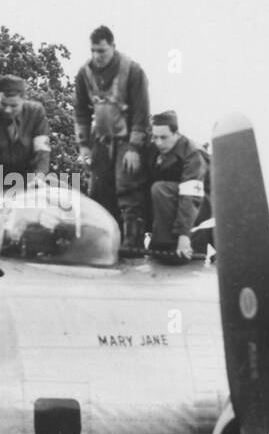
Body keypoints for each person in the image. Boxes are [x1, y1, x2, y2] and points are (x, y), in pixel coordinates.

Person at [73, 25, 151, 253]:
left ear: (113, 47)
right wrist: (84, 147)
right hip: (102, 139)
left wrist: (135, 148)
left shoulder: (133, 71)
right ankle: (105, 242)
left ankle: (132, 244)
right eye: (94, 50)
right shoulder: (84, 73)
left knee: (128, 189)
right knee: (98, 191)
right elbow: (80, 112)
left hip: (128, 140)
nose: (97, 56)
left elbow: (141, 112)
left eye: (102, 51)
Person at [139, 111, 208, 261]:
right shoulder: (154, 150)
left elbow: (191, 196)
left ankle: (174, 245)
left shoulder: (192, 152)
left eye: (163, 137)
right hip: (176, 207)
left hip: (201, 206)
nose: (158, 143)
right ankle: (161, 241)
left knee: (160, 189)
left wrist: (184, 236)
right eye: (155, 137)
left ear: (176, 133)